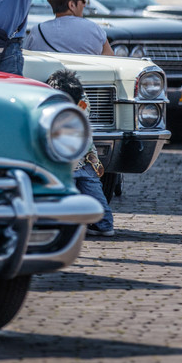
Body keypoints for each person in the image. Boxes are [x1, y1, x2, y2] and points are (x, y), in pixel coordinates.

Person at [46, 68, 115, 237]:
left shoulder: (52, 109)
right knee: (96, 202)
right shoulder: (82, 104)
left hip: (71, 164)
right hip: (84, 162)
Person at [26, 0, 114, 56]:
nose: (85, 5)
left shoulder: (37, 31)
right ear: (71, 5)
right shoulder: (94, 29)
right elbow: (111, 59)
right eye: (83, 0)